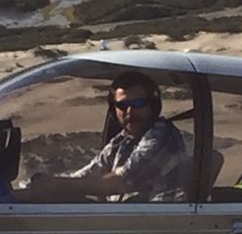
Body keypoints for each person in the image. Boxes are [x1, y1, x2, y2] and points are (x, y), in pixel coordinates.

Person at [48, 71, 191, 201]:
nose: (129, 111)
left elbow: (122, 182)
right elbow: (89, 174)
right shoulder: (122, 142)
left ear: (153, 106)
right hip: (125, 222)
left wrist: (59, 186)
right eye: (122, 106)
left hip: (155, 224)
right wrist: (46, 184)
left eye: (138, 104)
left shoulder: (162, 136)